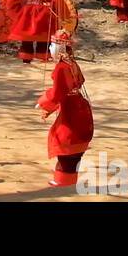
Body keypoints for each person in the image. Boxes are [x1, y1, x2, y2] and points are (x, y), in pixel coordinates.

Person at [35, 29, 93, 187]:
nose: (49, 49)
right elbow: (79, 82)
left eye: (52, 46)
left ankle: (63, 179)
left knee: (64, 139)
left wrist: (44, 102)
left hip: (70, 108)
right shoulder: (72, 62)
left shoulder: (61, 67)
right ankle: (68, 178)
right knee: (74, 140)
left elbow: (57, 92)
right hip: (79, 104)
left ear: (60, 48)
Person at [8, 0, 75, 63]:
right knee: (29, 38)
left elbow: (58, 3)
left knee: (42, 39)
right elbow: (13, 3)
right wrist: (17, 14)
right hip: (31, 18)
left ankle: (39, 56)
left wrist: (64, 16)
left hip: (41, 18)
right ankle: (29, 56)